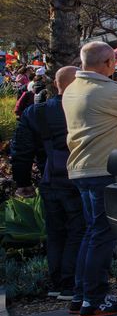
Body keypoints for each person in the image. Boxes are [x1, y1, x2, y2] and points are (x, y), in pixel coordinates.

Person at [62, 42, 117, 316]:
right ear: (109, 63)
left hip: (82, 168)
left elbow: (116, 110)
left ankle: (82, 296)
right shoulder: (109, 91)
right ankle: (94, 299)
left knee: (91, 234)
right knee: (102, 236)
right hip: (104, 169)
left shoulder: (74, 88)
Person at [12, 66, 83, 302]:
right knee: (78, 230)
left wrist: (22, 182)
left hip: (50, 178)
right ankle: (70, 282)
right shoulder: (86, 108)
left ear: (55, 84)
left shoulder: (37, 112)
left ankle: (58, 282)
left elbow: (21, 150)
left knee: (56, 231)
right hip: (79, 177)